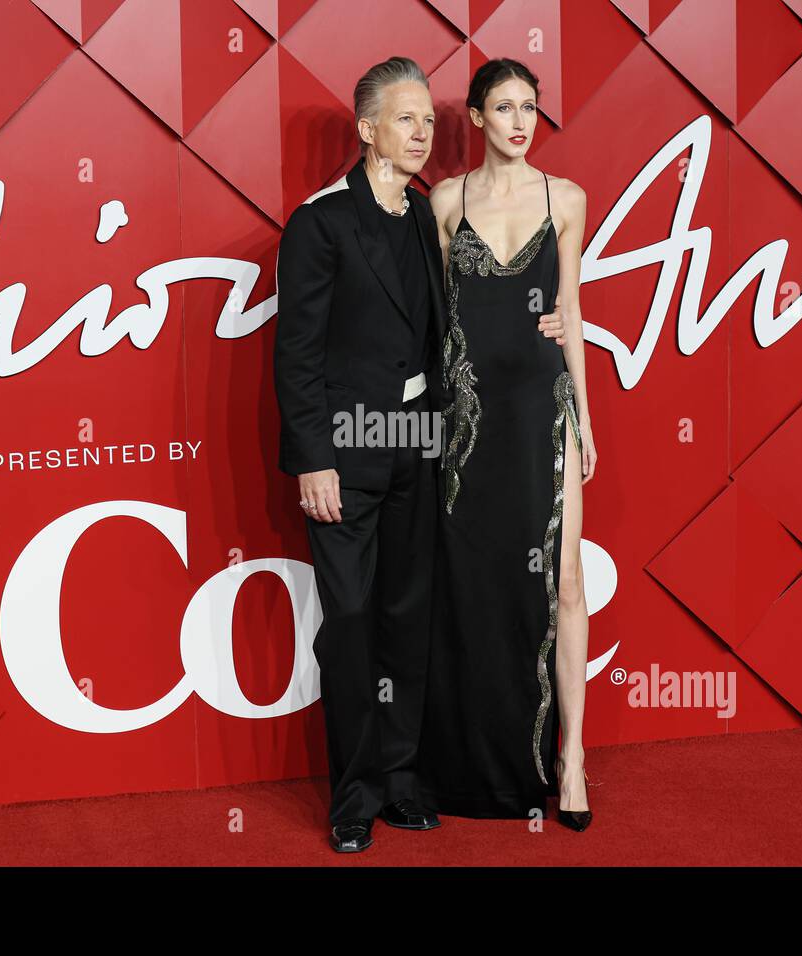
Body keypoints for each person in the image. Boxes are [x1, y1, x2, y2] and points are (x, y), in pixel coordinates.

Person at [273, 56, 569, 852]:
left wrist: (549, 322)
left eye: (428, 121)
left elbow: (472, 311)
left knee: (409, 621)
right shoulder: (319, 222)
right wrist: (313, 460)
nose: (421, 133)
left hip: (419, 443)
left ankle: (401, 782)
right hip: (345, 450)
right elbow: (296, 354)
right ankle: (352, 798)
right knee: (352, 624)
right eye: (406, 120)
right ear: (367, 129)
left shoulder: (420, 215)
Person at [416, 58, 598, 830]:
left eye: (531, 107)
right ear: (478, 118)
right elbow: (431, 317)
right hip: (468, 425)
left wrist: (586, 416)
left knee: (563, 585)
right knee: (476, 591)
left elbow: (571, 309)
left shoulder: (568, 198)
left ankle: (573, 758)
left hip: (541, 410)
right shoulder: (447, 201)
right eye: (505, 108)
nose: (521, 122)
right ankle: (474, 757)